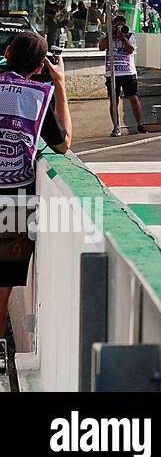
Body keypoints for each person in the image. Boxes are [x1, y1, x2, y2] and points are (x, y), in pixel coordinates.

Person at [0, 31, 72, 338]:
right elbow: (63, 145)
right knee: (2, 286)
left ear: (7, 52)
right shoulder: (39, 94)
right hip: (16, 199)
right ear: (42, 66)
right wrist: (61, 86)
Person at [98, 13, 148, 136]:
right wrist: (110, 34)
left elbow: (131, 50)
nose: (120, 28)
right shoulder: (108, 36)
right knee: (114, 100)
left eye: (122, 25)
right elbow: (101, 47)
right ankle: (116, 126)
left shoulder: (130, 35)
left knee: (133, 98)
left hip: (127, 72)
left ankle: (140, 124)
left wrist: (123, 37)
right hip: (112, 73)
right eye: (117, 25)